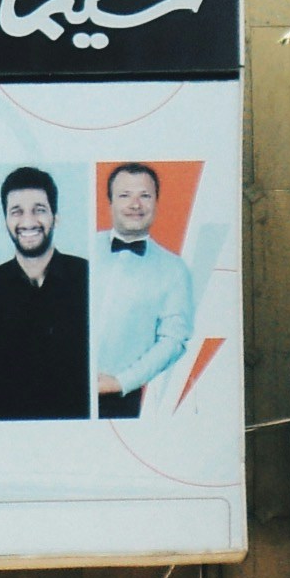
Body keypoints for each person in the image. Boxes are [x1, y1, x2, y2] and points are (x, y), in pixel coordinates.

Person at [0, 166, 90, 420]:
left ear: (56, 217)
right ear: (5, 221)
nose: (28, 222)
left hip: (78, 426)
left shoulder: (87, 276)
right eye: (16, 212)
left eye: (39, 210)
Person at [92, 163, 193, 419]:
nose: (135, 204)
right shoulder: (79, 249)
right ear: (110, 203)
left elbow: (173, 340)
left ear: (156, 202)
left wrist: (121, 382)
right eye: (124, 195)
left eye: (144, 196)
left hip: (119, 399)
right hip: (60, 386)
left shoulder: (174, 269)